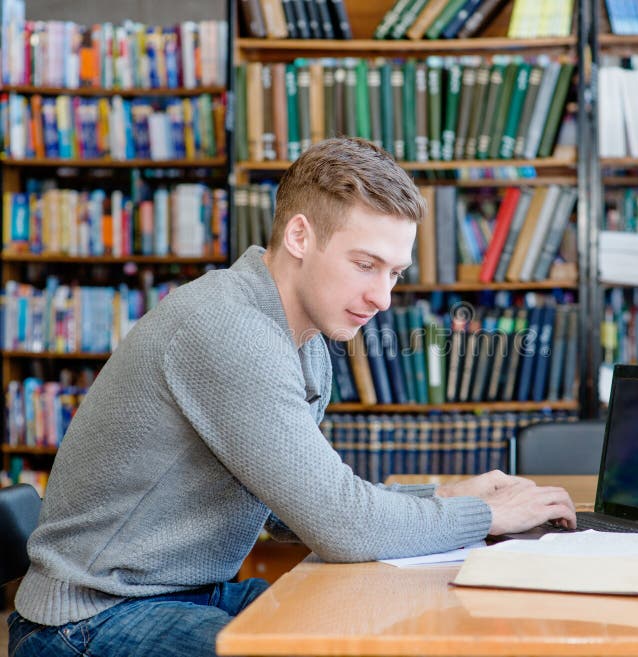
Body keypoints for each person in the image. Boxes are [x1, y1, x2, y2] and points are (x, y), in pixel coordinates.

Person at [8, 137, 576, 657]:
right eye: (365, 264)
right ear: (300, 236)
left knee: (383, 623)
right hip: (89, 619)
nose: (381, 297)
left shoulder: (300, 339)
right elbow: (344, 527)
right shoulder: (231, 329)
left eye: (395, 273)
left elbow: (295, 509)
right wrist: (483, 515)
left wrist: (446, 494)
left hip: (181, 593)